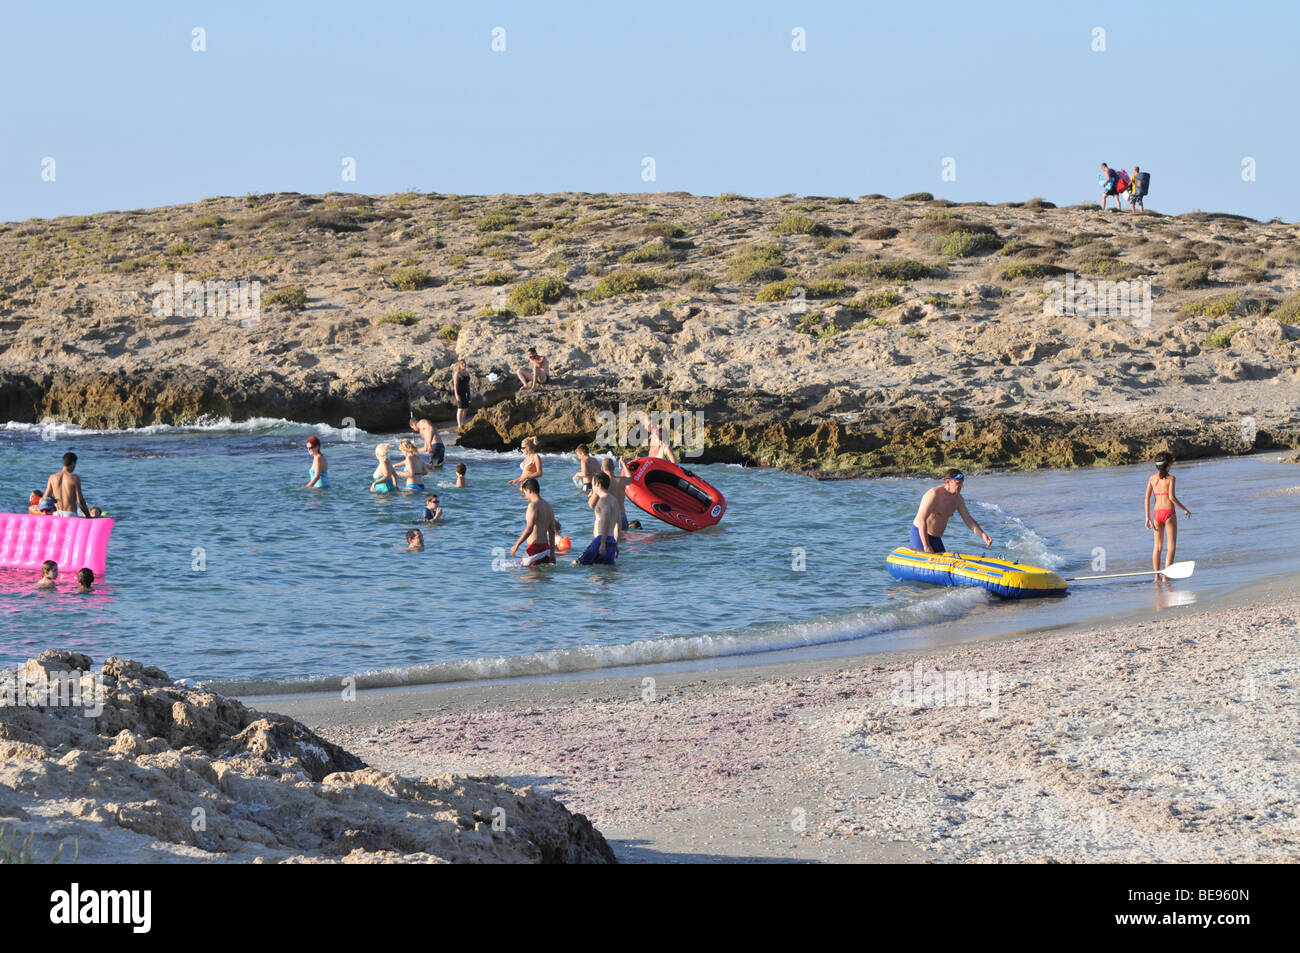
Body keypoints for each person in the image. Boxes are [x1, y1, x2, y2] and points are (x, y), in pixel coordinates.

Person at [910, 468, 993, 554]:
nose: (961, 486)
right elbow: (921, 519)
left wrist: (982, 535)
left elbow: (968, 520)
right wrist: (926, 545)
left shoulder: (958, 499)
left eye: (962, 483)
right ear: (948, 482)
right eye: (958, 483)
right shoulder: (933, 495)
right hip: (920, 536)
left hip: (936, 538)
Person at [1144, 452, 1191, 573]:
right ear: (1168, 465)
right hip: (1169, 513)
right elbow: (1172, 497)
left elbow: (1147, 498)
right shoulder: (1171, 479)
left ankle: (1156, 577)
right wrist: (1185, 509)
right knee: (1171, 548)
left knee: (1157, 548)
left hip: (1156, 514)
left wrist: (1147, 517)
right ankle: (1166, 576)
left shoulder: (1152, 479)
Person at [574, 473, 619, 566]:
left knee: (576, 564)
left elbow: (606, 520)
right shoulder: (614, 500)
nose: (592, 487)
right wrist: (616, 544)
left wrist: (602, 543)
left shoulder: (603, 500)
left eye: (592, 484)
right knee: (605, 574)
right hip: (611, 542)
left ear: (597, 484)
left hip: (600, 540)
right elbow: (618, 523)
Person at [510, 477, 557, 566]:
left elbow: (529, 528)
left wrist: (516, 545)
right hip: (546, 549)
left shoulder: (533, 506)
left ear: (529, 490)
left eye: (524, 493)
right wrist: (552, 553)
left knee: (520, 577)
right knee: (543, 578)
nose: (525, 496)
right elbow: (551, 531)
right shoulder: (548, 506)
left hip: (535, 549)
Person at [42, 451, 92, 517]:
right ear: (73, 463)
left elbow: (45, 498)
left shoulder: (52, 477)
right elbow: (80, 501)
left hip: (56, 513)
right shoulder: (75, 478)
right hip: (70, 514)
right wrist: (88, 516)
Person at [597, 457, 631, 541]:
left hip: (610, 517)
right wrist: (624, 464)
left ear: (602, 468)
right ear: (614, 468)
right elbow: (630, 477)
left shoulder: (603, 484)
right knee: (622, 543)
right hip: (622, 516)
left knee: (608, 542)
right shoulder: (621, 480)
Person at [452, 360, 472, 430]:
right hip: (460, 392)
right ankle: (459, 425)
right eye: (462, 364)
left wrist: (469, 395)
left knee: (465, 408)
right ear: (459, 365)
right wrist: (456, 395)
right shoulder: (457, 373)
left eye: (464, 363)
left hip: (466, 392)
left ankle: (463, 423)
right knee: (460, 409)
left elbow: (468, 384)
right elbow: (455, 385)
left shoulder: (467, 373)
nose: (464, 365)